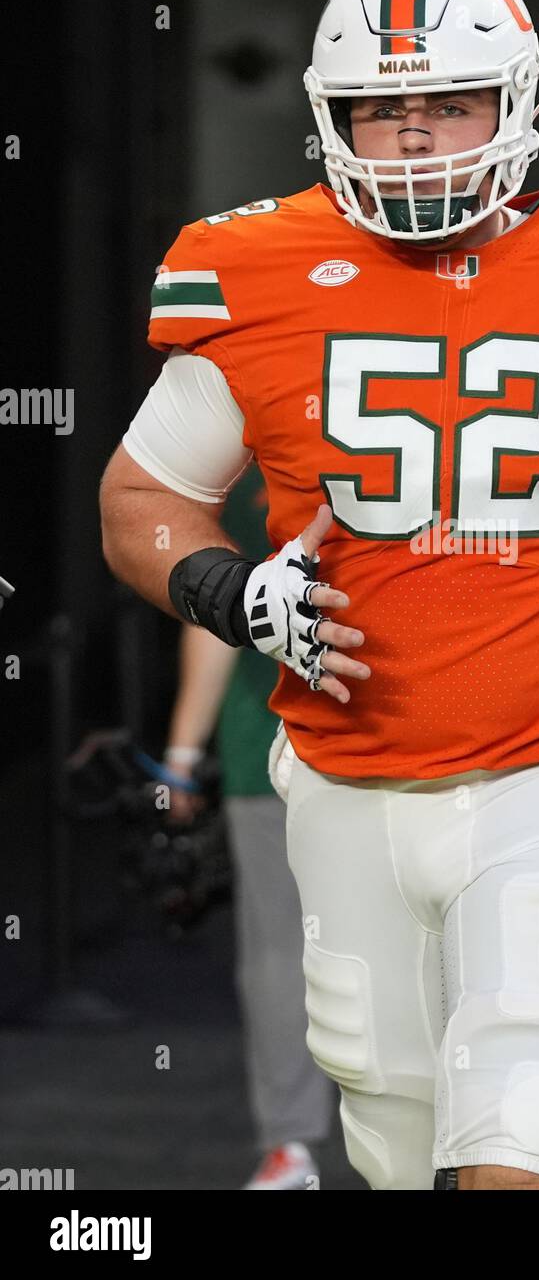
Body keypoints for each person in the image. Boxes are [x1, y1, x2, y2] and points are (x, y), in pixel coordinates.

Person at [100, 0, 539, 1190]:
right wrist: (230, 591)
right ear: (331, 116)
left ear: (519, 100)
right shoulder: (246, 267)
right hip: (342, 780)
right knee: (403, 1145)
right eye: (382, 109)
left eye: (449, 105)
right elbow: (145, 496)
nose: (415, 140)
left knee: (526, 1137)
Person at [159, 461, 336, 1189]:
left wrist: (179, 755)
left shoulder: (241, 468)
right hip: (290, 742)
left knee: (283, 953)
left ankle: (298, 1147)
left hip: (347, 745)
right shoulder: (242, 474)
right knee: (282, 955)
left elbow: (214, 617)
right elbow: (215, 612)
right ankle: (299, 1144)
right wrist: (181, 754)